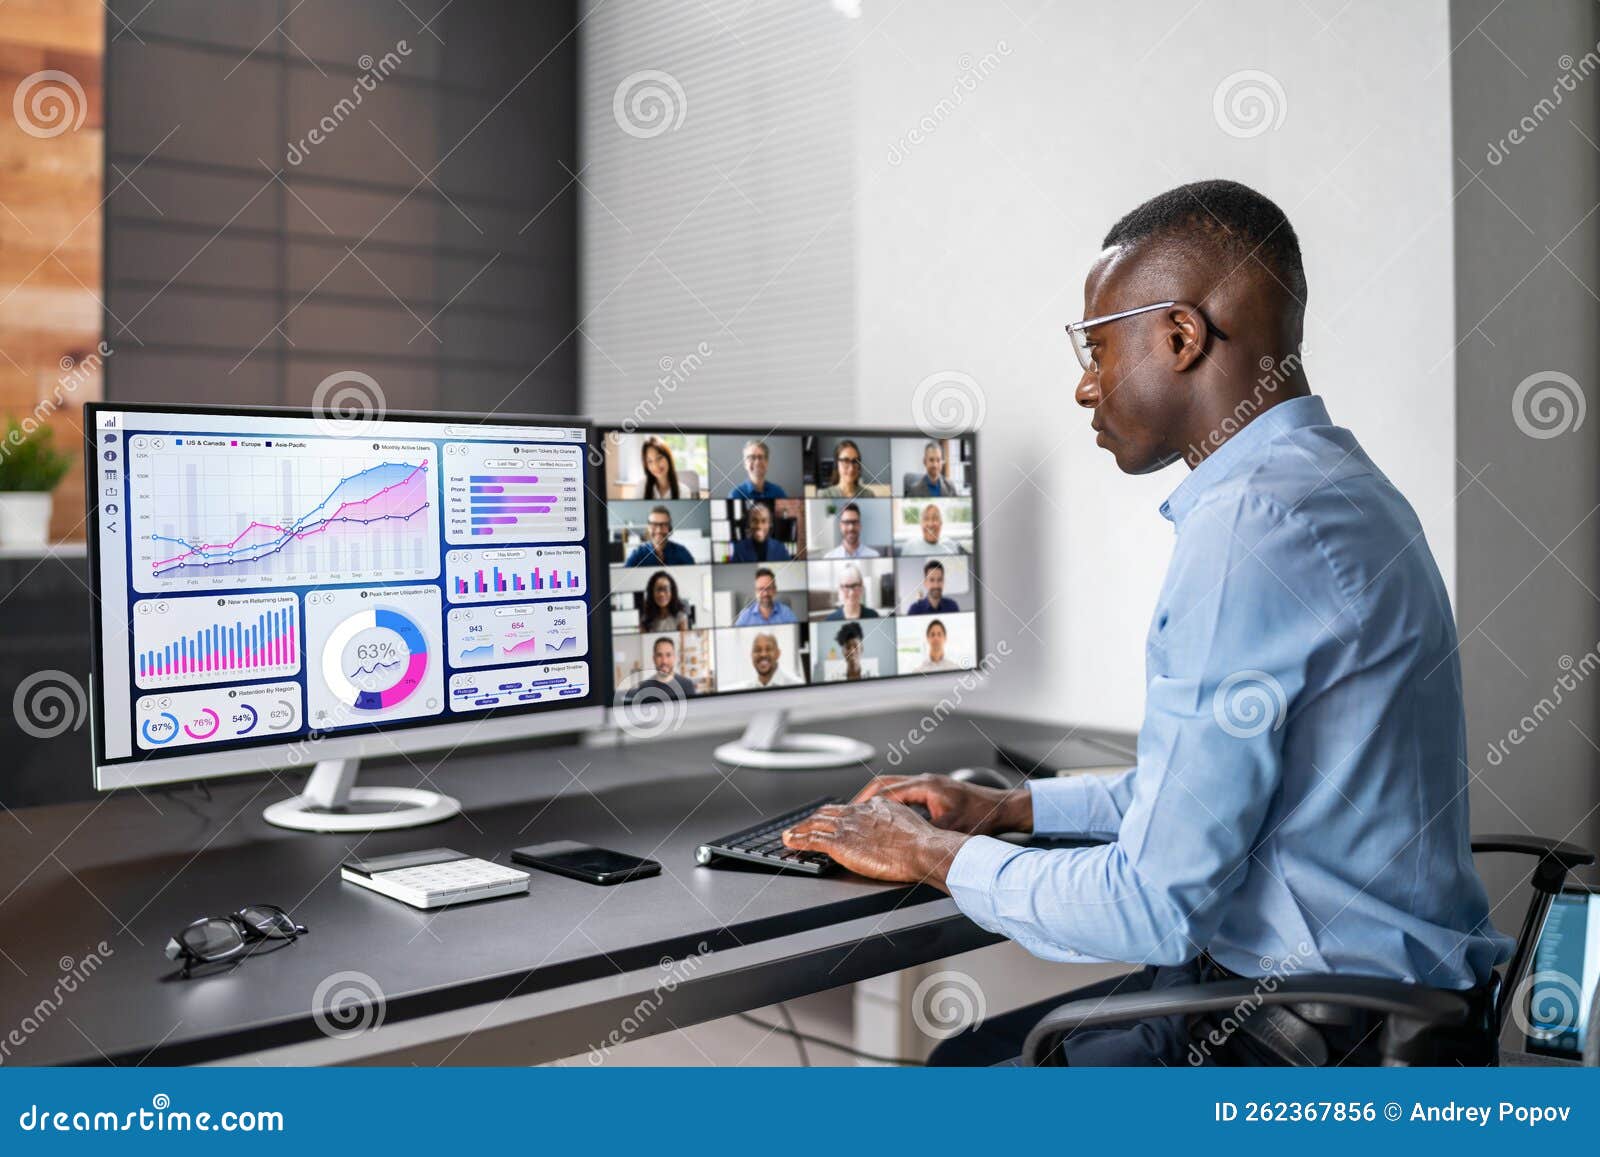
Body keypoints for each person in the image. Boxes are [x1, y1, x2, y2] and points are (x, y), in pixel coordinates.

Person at [782, 180, 1510, 1067]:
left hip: (1306, 1041)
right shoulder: (1341, 486)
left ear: (1180, 336)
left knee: (961, 1071)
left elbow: (1153, 904)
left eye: (1096, 348)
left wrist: (931, 853)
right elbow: (1196, 803)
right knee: (971, 1053)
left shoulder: (1250, 527)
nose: (1084, 385)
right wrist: (1009, 805)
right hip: (1394, 1008)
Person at [624, 636, 696, 701]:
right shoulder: (644, 687)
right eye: (659, 655)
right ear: (654, 658)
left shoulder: (687, 685)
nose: (664, 661)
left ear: (674, 657)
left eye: (668, 655)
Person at [624, 505, 697, 567]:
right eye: (654, 524)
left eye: (664, 525)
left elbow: (695, 574)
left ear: (669, 528)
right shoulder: (638, 554)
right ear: (648, 527)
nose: (659, 530)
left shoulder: (681, 552)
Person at [729, 631, 803, 690]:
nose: (763, 654)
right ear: (751, 655)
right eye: (757, 650)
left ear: (778, 654)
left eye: (768, 649)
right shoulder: (747, 691)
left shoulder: (797, 686)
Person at [733, 566, 798, 626]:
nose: (765, 593)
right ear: (756, 592)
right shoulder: (745, 616)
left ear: (774, 590)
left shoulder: (786, 613)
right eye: (761, 589)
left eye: (769, 588)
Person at [898, 502, 964, 556]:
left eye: (935, 518)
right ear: (921, 524)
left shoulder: (952, 546)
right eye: (926, 519)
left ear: (941, 523)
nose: (930, 524)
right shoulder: (909, 547)